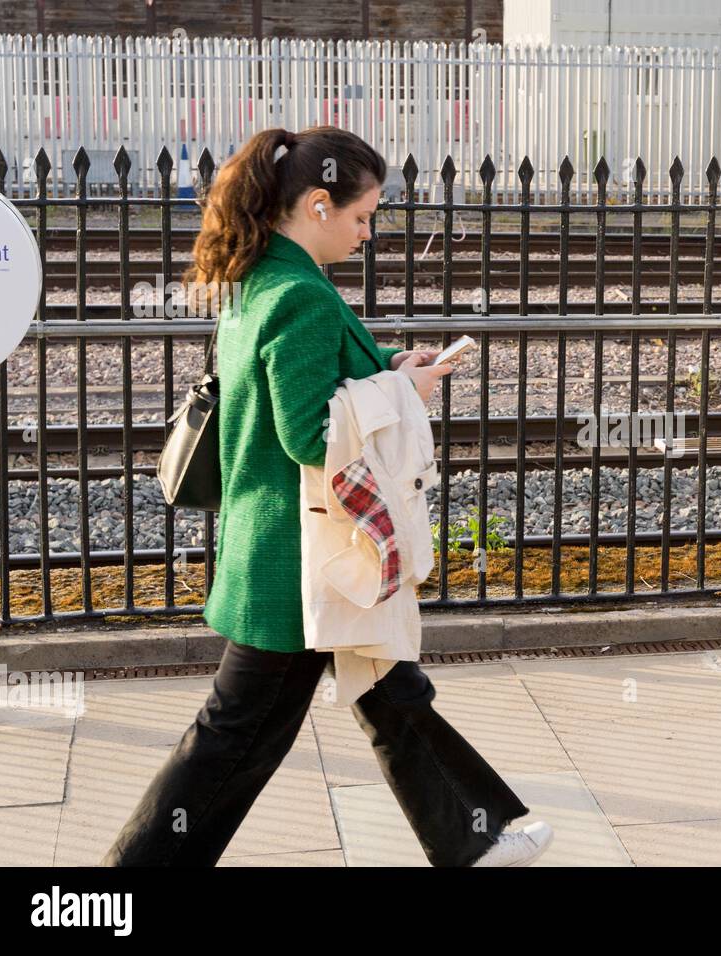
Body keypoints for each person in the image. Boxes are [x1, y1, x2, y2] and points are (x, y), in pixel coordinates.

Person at [101, 125, 552, 867]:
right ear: (317, 204)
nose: (368, 234)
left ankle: (475, 840)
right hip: (298, 562)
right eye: (361, 217)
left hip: (294, 550)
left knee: (386, 695)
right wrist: (399, 389)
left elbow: (316, 395)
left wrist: (390, 370)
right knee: (236, 736)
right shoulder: (300, 295)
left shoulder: (262, 280)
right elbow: (310, 435)